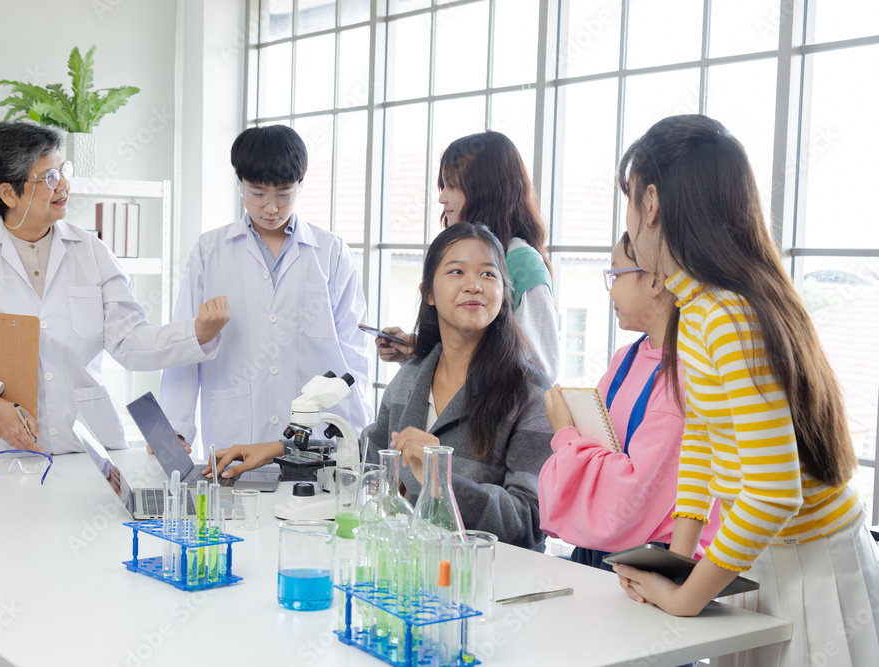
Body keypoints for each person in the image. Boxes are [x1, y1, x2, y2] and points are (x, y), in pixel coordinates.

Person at [611, 115, 879, 666]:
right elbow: (703, 438)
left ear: (653, 202)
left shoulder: (725, 314)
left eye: (630, 202)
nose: (630, 225)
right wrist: (676, 563)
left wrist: (684, 597)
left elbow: (774, 491)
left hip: (809, 569)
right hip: (767, 563)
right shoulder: (705, 305)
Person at [0, 121, 229, 461]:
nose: (65, 186)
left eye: (62, 171)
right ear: (8, 193)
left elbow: (129, 340)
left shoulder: (91, 252)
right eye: (50, 178)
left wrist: (197, 333)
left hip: (87, 450)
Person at [214, 223, 554, 550]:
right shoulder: (410, 378)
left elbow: (531, 520)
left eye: (488, 274)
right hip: (407, 568)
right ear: (429, 293)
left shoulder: (529, 392)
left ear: (503, 292)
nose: (474, 285)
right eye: (456, 271)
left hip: (484, 581)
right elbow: (364, 457)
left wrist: (442, 482)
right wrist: (277, 450)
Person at [159, 125, 371, 460]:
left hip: (316, 437)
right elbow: (186, 344)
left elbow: (353, 352)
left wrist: (360, 435)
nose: (270, 207)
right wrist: (175, 427)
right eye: (257, 193)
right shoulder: (210, 250)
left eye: (283, 194)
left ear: (301, 182)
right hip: (235, 431)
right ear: (238, 180)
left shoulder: (331, 252)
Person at [537, 233, 720, 570]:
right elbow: (601, 459)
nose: (611, 291)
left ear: (654, 280)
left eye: (615, 274)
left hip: (650, 564)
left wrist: (565, 435)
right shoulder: (626, 358)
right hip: (599, 553)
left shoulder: (684, 378)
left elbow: (630, 499)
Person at [377, 131, 560, 381]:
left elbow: (541, 371)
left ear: (484, 191)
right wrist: (418, 350)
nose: (442, 197)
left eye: (450, 186)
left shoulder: (523, 262)